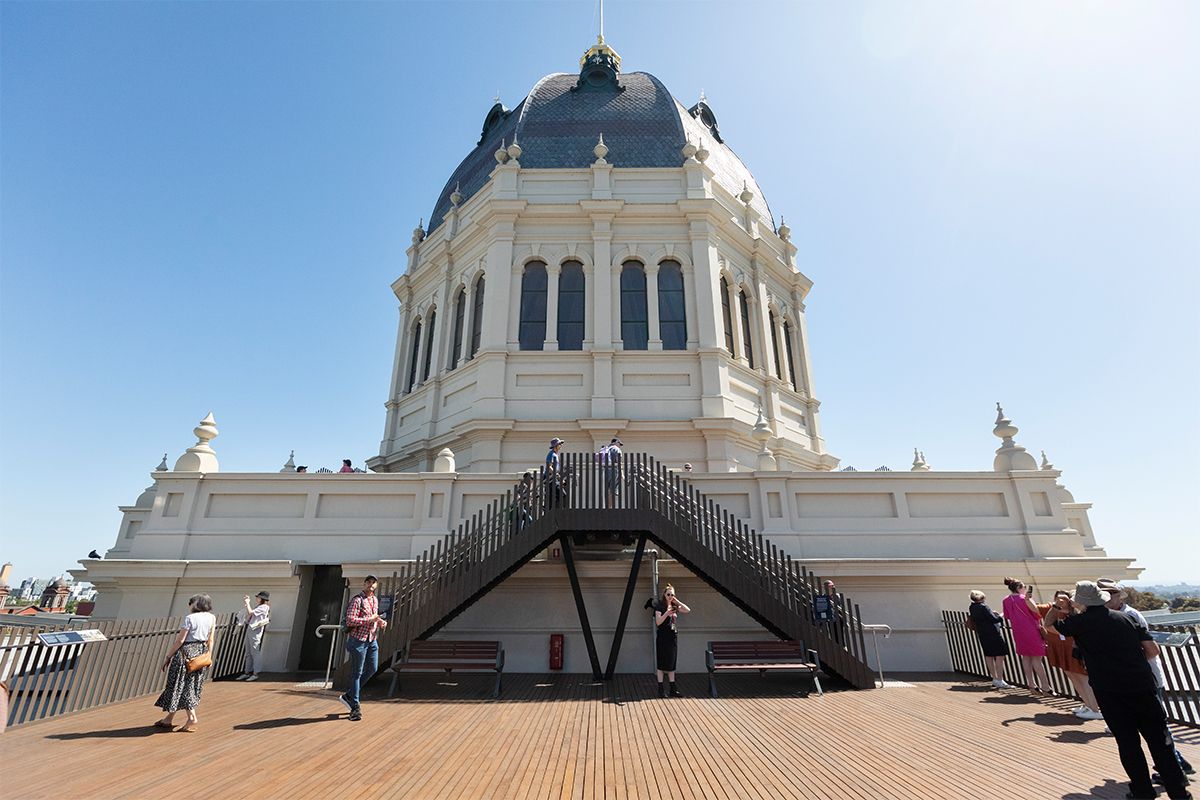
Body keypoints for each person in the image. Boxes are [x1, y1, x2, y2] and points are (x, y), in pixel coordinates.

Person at [1055, 581, 1191, 800]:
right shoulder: (1128, 618)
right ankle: (1179, 793)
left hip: (1108, 690)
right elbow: (1152, 649)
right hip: (1141, 685)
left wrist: (1060, 607)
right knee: (1160, 741)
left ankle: (1142, 791)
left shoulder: (1078, 624)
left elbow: (1049, 624)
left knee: (1128, 744)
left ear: (1080, 601)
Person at [1098, 578, 1195, 781]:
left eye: (1109, 595)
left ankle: (1174, 769)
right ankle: (1178, 764)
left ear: (1117, 596)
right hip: (1138, 678)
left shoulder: (1130, 615)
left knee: (1158, 728)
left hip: (1145, 678)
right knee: (1157, 727)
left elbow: (1149, 650)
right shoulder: (1115, 615)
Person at [153, 593, 216, 732]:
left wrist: (168, 657)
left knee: (179, 684)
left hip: (186, 653)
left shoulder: (190, 618)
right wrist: (209, 656)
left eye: (191, 602)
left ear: (196, 604)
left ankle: (192, 717)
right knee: (190, 684)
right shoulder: (211, 618)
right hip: (201, 653)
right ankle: (168, 719)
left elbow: (180, 640)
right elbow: (210, 639)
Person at [1041, 590, 1102, 718]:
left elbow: (1050, 625)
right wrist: (1056, 607)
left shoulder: (1077, 614)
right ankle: (1088, 705)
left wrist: (1063, 609)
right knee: (1074, 677)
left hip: (1076, 649)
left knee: (1084, 678)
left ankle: (1095, 708)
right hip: (1065, 649)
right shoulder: (1058, 612)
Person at [339, 575, 387, 721]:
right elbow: (350, 620)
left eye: (374, 583)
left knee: (372, 668)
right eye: (369, 582)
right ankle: (355, 706)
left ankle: (349, 695)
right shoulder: (357, 600)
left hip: (371, 640)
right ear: (364, 584)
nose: (371, 585)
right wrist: (369, 620)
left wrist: (379, 622)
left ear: (376, 586)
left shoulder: (374, 600)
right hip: (358, 640)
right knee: (356, 673)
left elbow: (373, 617)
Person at [1001, 577, 1050, 693]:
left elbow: (1007, 616)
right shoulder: (1025, 598)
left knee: (1026, 657)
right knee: (1037, 659)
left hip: (1018, 631)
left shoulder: (1005, 600)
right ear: (1019, 588)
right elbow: (1038, 614)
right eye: (1024, 587)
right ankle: (1045, 686)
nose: (1025, 589)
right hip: (1031, 630)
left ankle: (1031, 684)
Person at [649, 583, 690, 697]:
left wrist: (677, 602)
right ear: (664, 594)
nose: (670, 596)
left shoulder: (674, 606)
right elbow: (658, 622)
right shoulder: (659, 607)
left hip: (672, 638)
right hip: (662, 638)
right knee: (662, 664)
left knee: (672, 663)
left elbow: (687, 610)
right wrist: (667, 613)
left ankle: (673, 688)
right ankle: (661, 689)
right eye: (668, 594)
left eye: (672, 594)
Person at [967, 590, 1011, 689]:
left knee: (989, 655)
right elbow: (994, 619)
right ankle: (1000, 679)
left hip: (982, 634)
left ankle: (995, 678)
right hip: (992, 633)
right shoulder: (983, 607)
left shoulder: (972, 607)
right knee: (1000, 655)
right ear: (982, 598)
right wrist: (1001, 615)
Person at [237, 591, 271, 681]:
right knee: (248, 652)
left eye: (258, 597)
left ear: (262, 599)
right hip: (251, 628)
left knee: (255, 651)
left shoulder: (265, 607)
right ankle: (247, 672)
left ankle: (256, 673)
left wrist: (248, 603)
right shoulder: (259, 607)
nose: (257, 598)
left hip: (255, 630)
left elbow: (251, 612)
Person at [544, 438, 565, 508]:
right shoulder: (551, 454)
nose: (561, 445)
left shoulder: (555, 455)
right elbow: (549, 467)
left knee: (556, 496)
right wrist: (557, 476)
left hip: (553, 478)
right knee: (561, 495)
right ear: (555, 445)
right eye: (559, 444)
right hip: (550, 478)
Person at [603, 437, 623, 508]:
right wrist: (622, 474)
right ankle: (610, 508)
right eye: (619, 444)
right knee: (613, 490)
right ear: (616, 442)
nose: (620, 446)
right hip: (614, 470)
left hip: (605, 470)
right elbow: (618, 462)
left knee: (607, 490)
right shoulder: (616, 449)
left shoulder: (606, 448)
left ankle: (607, 506)